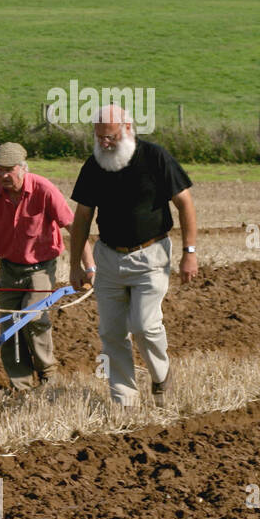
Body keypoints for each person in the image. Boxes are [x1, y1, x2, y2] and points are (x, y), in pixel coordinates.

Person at [68, 105, 198, 406]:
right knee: (112, 332)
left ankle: (161, 376)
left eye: (109, 136)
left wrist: (189, 252)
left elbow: (185, 204)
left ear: (127, 130)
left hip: (151, 256)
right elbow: (83, 218)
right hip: (109, 258)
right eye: (98, 137)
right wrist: (75, 265)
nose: (103, 143)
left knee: (143, 325)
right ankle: (124, 401)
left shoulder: (155, 158)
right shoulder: (94, 166)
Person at [0, 142, 84, 394]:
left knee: (33, 318)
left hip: (41, 268)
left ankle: (47, 373)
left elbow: (75, 229)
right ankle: (20, 385)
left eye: (9, 170)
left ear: (23, 168)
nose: (3, 175)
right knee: (9, 325)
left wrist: (89, 266)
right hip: (9, 268)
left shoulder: (44, 190)